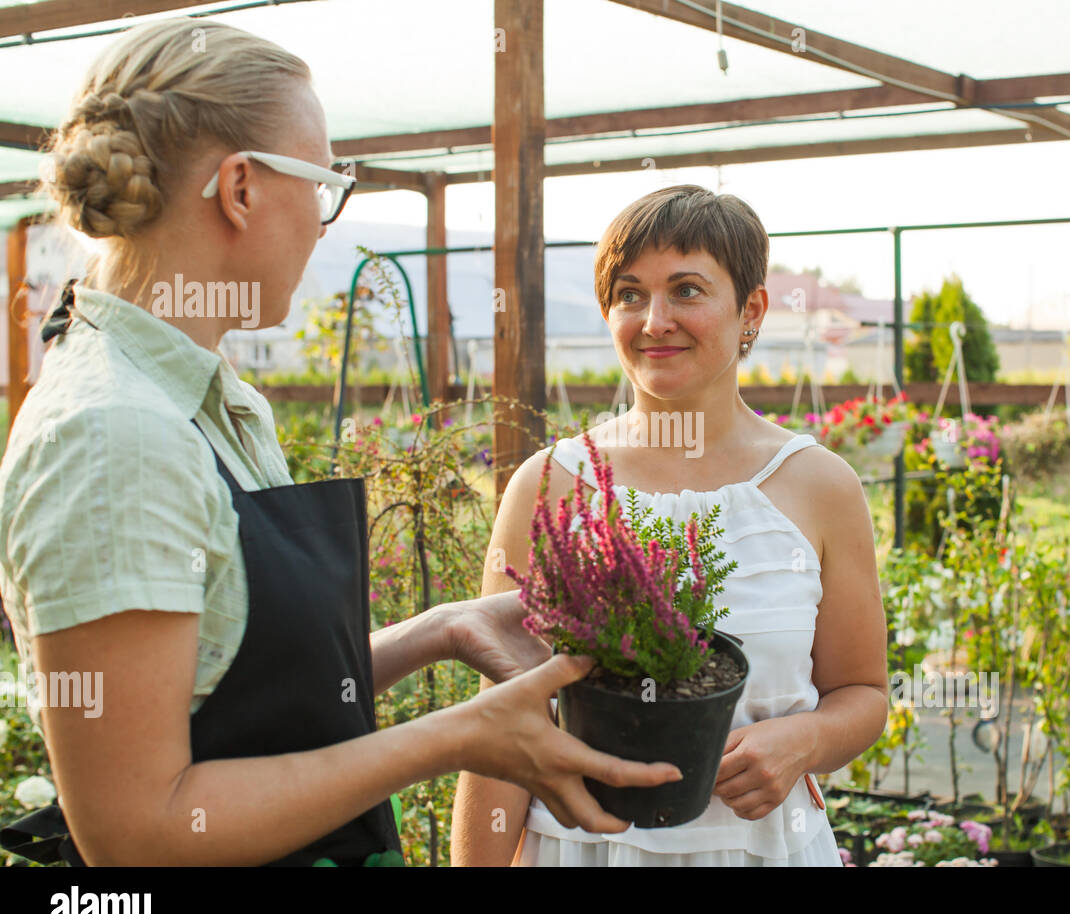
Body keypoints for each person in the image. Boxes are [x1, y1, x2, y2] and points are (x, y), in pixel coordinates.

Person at [0, 19, 682, 868]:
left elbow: (228, 692)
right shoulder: (114, 436)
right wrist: (453, 738)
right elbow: (138, 834)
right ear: (241, 188)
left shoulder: (209, 400)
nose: (325, 223)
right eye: (323, 186)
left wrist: (435, 629)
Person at [451, 185, 890, 866]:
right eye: (629, 295)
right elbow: (500, 731)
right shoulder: (550, 486)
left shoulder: (819, 485)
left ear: (751, 311)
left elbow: (861, 692)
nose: (655, 320)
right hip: (584, 851)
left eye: (687, 290)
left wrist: (804, 740)